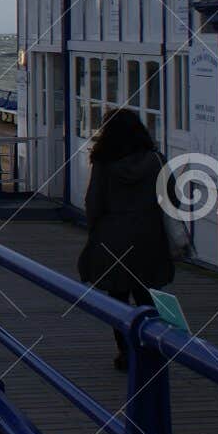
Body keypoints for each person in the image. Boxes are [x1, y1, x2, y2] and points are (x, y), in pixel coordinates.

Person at [77, 108, 175, 372]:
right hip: (149, 238)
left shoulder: (104, 163)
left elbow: (93, 202)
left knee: (117, 299)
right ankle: (152, 347)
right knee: (149, 296)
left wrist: (95, 229)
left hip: (113, 238)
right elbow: (172, 200)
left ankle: (125, 352)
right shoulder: (156, 161)